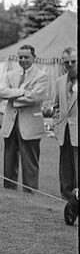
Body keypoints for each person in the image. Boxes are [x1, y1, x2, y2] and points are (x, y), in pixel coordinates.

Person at [0, 44, 49, 194]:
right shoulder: (10, 74)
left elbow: (36, 97)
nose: (23, 60)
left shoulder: (41, 76)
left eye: (26, 57)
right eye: (21, 57)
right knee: (9, 158)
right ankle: (9, 189)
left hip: (30, 123)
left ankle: (29, 192)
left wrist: (14, 97)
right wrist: (23, 92)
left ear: (34, 57)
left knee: (30, 159)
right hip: (10, 122)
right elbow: (1, 92)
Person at [51, 47, 77, 218]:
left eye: (73, 61)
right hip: (64, 131)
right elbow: (56, 106)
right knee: (65, 167)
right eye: (66, 62)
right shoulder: (60, 81)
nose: (69, 65)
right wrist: (55, 123)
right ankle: (67, 202)